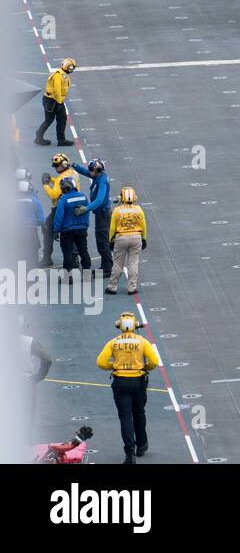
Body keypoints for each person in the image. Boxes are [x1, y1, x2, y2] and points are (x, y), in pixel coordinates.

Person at [95, 311, 159, 463]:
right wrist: (144, 367)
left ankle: (129, 452)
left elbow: (101, 362)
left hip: (120, 382)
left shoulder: (114, 342)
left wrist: (115, 366)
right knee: (139, 412)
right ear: (135, 325)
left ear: (120, 326)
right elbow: (154, 362)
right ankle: (142, 445)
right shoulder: (142, 341)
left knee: (125, 417)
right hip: (138, 381)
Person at [72, 158, 112, 279]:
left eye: (92, 170)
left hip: (103, 214)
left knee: (102, 241)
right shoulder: (98, 175)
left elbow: (99, 200)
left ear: (98, 170)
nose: (90, 172)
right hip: (101, 213)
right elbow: (86, 172)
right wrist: (74, 165)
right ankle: (105, 265)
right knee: (101, 240)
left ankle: (107, 268)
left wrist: (86, 208)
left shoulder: (102, 182)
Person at [17, 315, 53, 442]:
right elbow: (47, 358)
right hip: (25, 383)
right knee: (27, 417)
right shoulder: (29, 341)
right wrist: (39, 376)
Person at [39, 153, 78, 266]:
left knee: (47, 228)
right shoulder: (73, 173)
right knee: (72, 232)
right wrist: (52, 179)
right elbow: (63, 183)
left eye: (57, 165)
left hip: (60, 208)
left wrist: (46, 184)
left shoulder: (62, 177)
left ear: (64, 164)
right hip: (73, 207)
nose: (56, 168)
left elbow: (54, 195)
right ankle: (75, 258)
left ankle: (47, 257)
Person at [106, 186, 147, 296]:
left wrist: (111, 240)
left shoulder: (117, 210)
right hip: (136, 237)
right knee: (133, 263)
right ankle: (132, 288)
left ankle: (112, 287)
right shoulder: (138, 209)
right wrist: (144, 238)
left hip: (121, 237)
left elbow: (112, 228)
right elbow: (143, 225)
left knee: (118, 263)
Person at [52, 176, 92, 279]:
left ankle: (68, 277)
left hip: (67, 231)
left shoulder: (63, 199)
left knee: (68, 253)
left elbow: (59, 216)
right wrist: (85, 225)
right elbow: (86, 212)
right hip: (81, 229)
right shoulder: (83, 196)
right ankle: (87, 275)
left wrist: (56, 230)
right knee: (84, 251)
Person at [34, 58, 76, 147]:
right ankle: (38, 136)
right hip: (51, 101)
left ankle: (61, 140)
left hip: (57, 100)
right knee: (49, 120)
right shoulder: (58, 75)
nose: (72, 70)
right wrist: (60, 102)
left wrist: (60, 101)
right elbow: (57, 91)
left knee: (62, 119)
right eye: (71, 67)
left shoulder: (64, 75)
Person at [16, 168, 45, 264]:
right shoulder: (33, 199)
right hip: (31, 230)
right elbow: (41, 219)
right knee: (33, 252)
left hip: (17, 231)